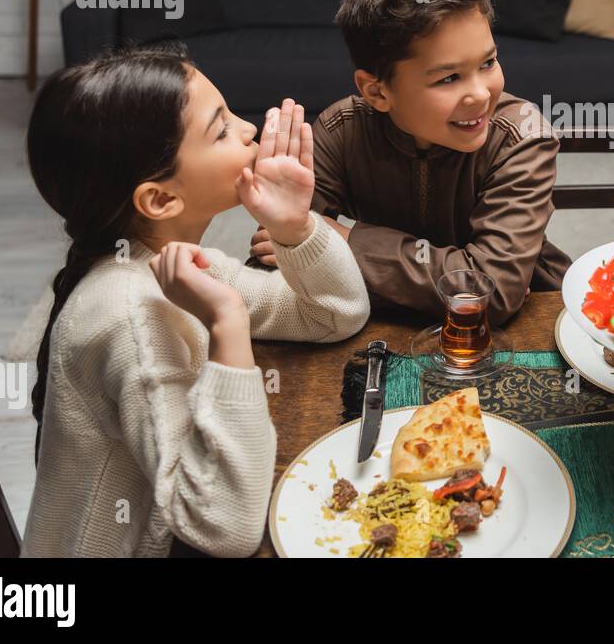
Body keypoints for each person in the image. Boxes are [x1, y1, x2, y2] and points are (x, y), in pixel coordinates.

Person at [23, 44, 369, 557]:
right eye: (222, 128)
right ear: (160, 199)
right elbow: (226, 527)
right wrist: (228, 322)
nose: (249, 129)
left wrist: (294, 228)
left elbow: (335, 314)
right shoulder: (130, 313)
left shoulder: (170, 261)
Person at [249, 0, 570, 325]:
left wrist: (344, 242)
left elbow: (493, 294)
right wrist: (461, 281)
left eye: (488, 62)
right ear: (377, 92)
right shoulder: (341, 131)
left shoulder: (522, 136)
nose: (481, 94)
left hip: (524, 330)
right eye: (448, 78)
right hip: (374, 336)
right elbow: (274, 271)